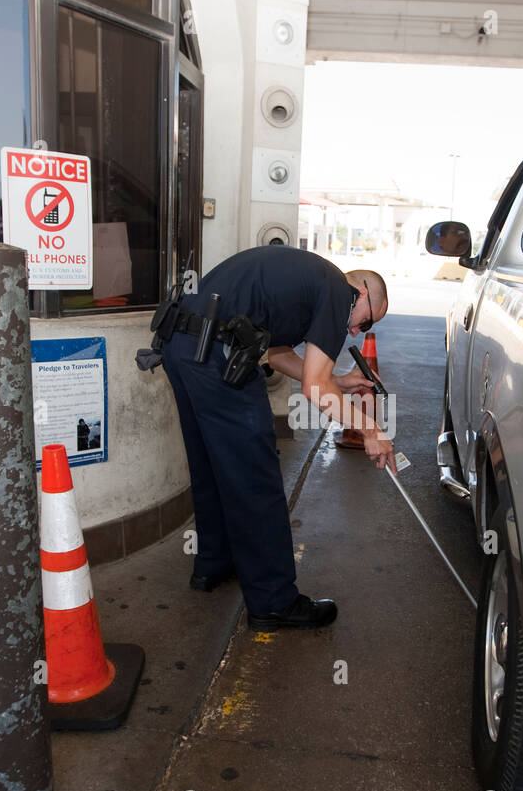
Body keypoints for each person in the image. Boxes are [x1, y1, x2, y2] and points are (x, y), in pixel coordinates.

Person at [159, 245, 394, 632]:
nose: (355, 331)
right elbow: (315, 389)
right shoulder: (339, 290)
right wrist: (371, 430)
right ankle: (274, 601)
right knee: (256, 478)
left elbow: (279, 355)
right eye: (366, 323)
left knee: (213, 464)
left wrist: (340, 381)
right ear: (363, 292)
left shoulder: (308, 279)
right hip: (215, 355)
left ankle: (214, 564)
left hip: (183, 346)